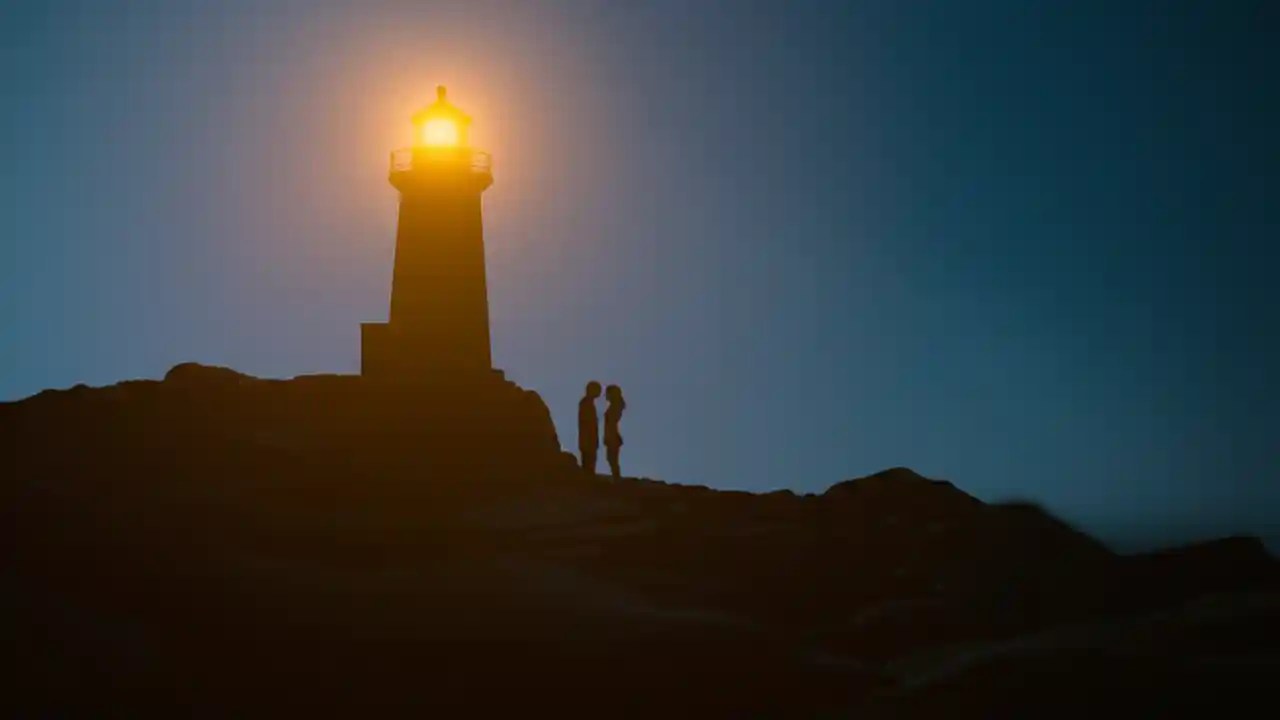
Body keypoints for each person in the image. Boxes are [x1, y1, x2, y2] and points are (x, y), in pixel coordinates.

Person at [578, 381, 602, 475]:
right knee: (588, 462)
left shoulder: (589, 403)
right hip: (587, 438)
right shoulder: (586, 403)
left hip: (590, 438)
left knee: (590, 461)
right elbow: (586, 422)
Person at [604, 384, 626, 479]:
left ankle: (616, 478)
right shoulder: (614, 406)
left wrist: (609, 435)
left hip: (612, 435)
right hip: (612, 434)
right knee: (611, 458)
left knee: (612, 458)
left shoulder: (615, 406)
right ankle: (616, 477)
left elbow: (612, 422)